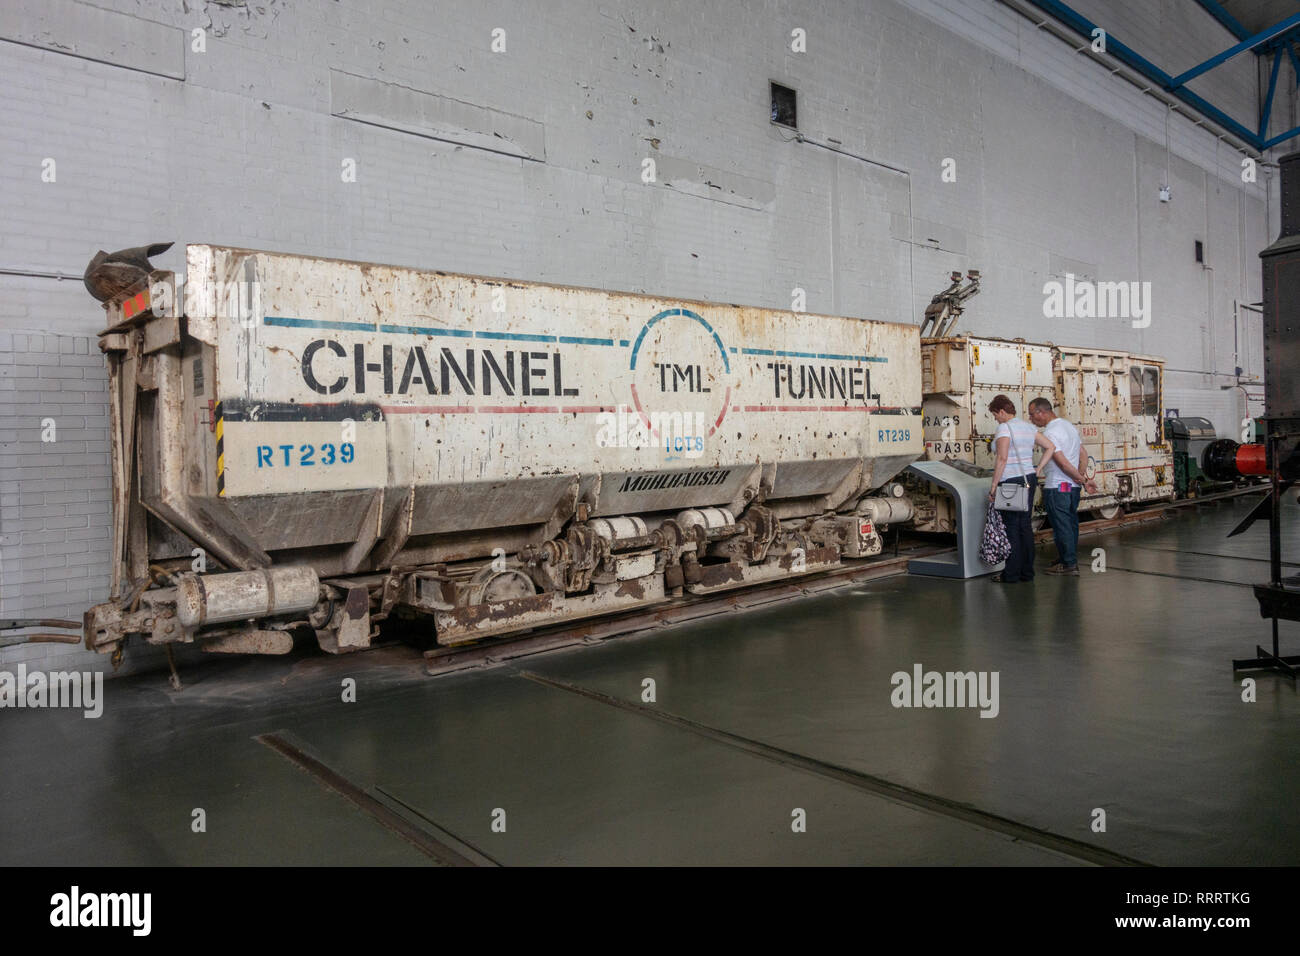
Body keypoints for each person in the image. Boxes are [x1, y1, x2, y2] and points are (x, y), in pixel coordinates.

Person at [986, 394, 1059, 583]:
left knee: (1011, 527)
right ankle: (1027, 573)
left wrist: (994, 486)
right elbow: (1050, 447)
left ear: (1002, 412)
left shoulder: (1004, 428)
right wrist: (1038, 468)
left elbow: (1001, 458)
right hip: (1029, 479)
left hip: (1010, 481)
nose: (996, 419)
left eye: (995, 415)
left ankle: (1010, 574)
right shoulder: (1029, 427)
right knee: (1025, 527)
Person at [1027, 397, 1098, 575]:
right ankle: (1066, 557)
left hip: (1058, 486)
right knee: (1070, 523)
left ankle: (1069, 564)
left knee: (1062, 525)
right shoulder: (1068, 426)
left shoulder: (1051, 433)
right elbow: (1083, 454)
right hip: (1069, 487)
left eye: (1031, 415)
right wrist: (1079, 477)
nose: (1030, 419)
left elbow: (1063, 464)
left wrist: (1081, 479)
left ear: (1041, 413)